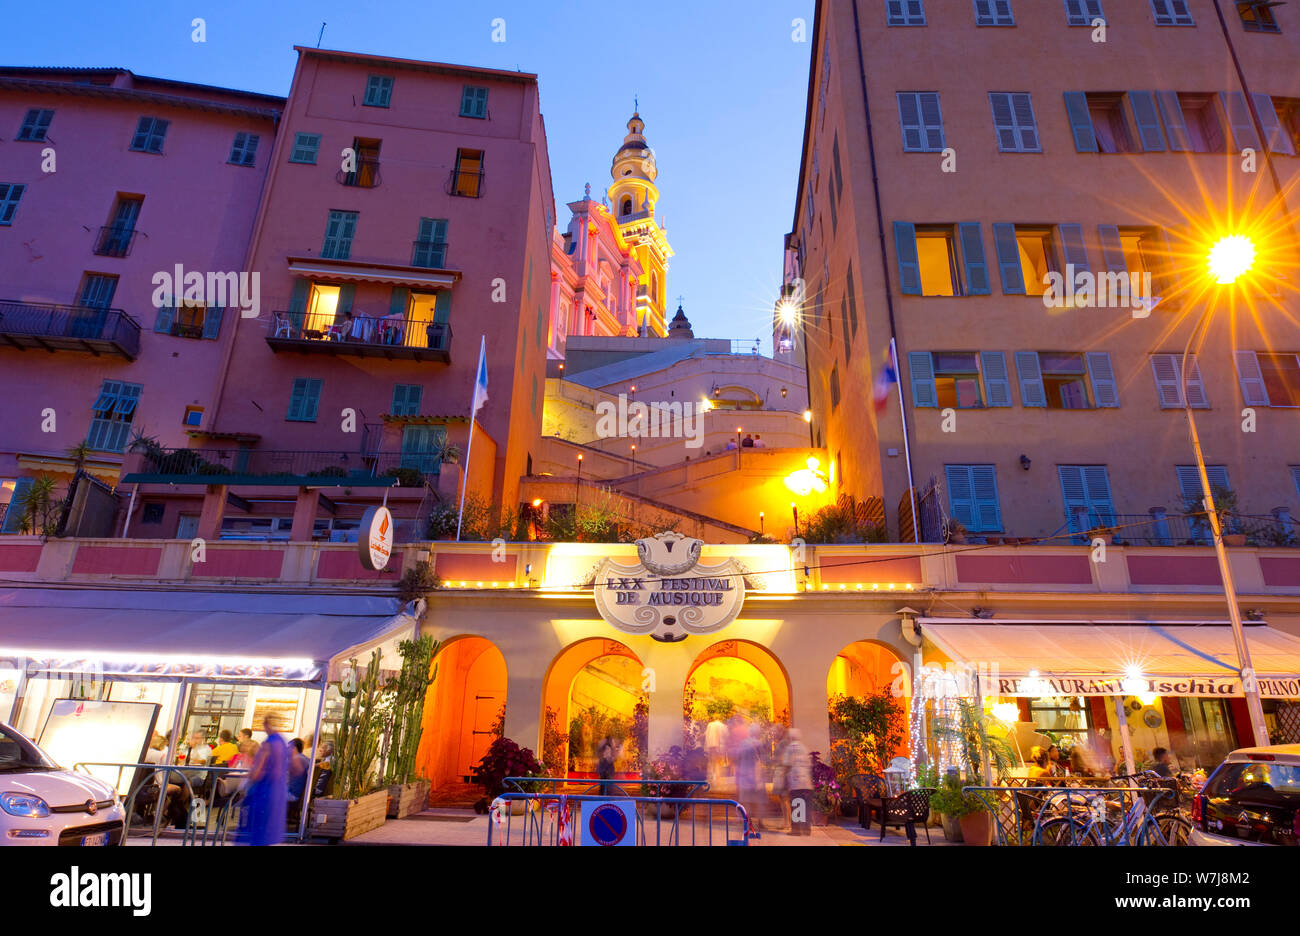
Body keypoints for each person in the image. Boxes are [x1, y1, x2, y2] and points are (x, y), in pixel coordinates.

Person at [239, 714, 289, 846]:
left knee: (258, 829)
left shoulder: (269, 743)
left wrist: (251, 775)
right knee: (267, 830)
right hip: (276, 790)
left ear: (267, 725)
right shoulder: (281, 741)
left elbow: (260, 772)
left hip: (264, 790)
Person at [783, 728, 813, 836]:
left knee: (796, 804)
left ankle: (796, 830)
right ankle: (806, 829)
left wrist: (785, 779)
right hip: (806, 783)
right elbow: (809, 764)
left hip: (795, 781)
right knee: (805, 805)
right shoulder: (804, 748)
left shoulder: (790, 748)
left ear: (791, 737)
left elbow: (787, 763)